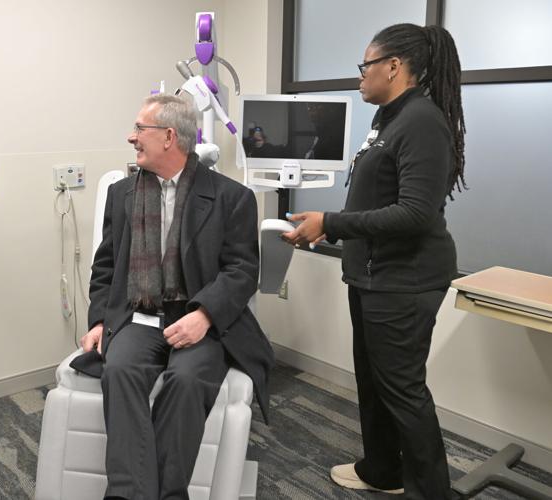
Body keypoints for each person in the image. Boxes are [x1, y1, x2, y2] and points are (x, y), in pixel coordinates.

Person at [283, 23, 466, 499]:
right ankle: (382, 471)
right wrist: (330, 223)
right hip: (372, 275)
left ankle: (431, 492)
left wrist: (332, 223)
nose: (359, 76)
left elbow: (414, 212)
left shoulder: (422, 121)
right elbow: (378, 198)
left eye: (365, 66)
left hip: (405, 280)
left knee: (404, 394)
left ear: (393, 66)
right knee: (375, 383)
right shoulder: (388, 119)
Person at [77, 94, 274, 500]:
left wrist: (204, 314)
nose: (131, 138)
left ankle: (168, 494)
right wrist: (99, 321)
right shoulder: (123, 194)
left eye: (139, 130)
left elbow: (242, 271)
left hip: (199, 319)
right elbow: (106, 266)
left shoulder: (231, 197)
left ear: (169, 136)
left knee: (185, 381)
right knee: (120, 370)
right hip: (141, 314)